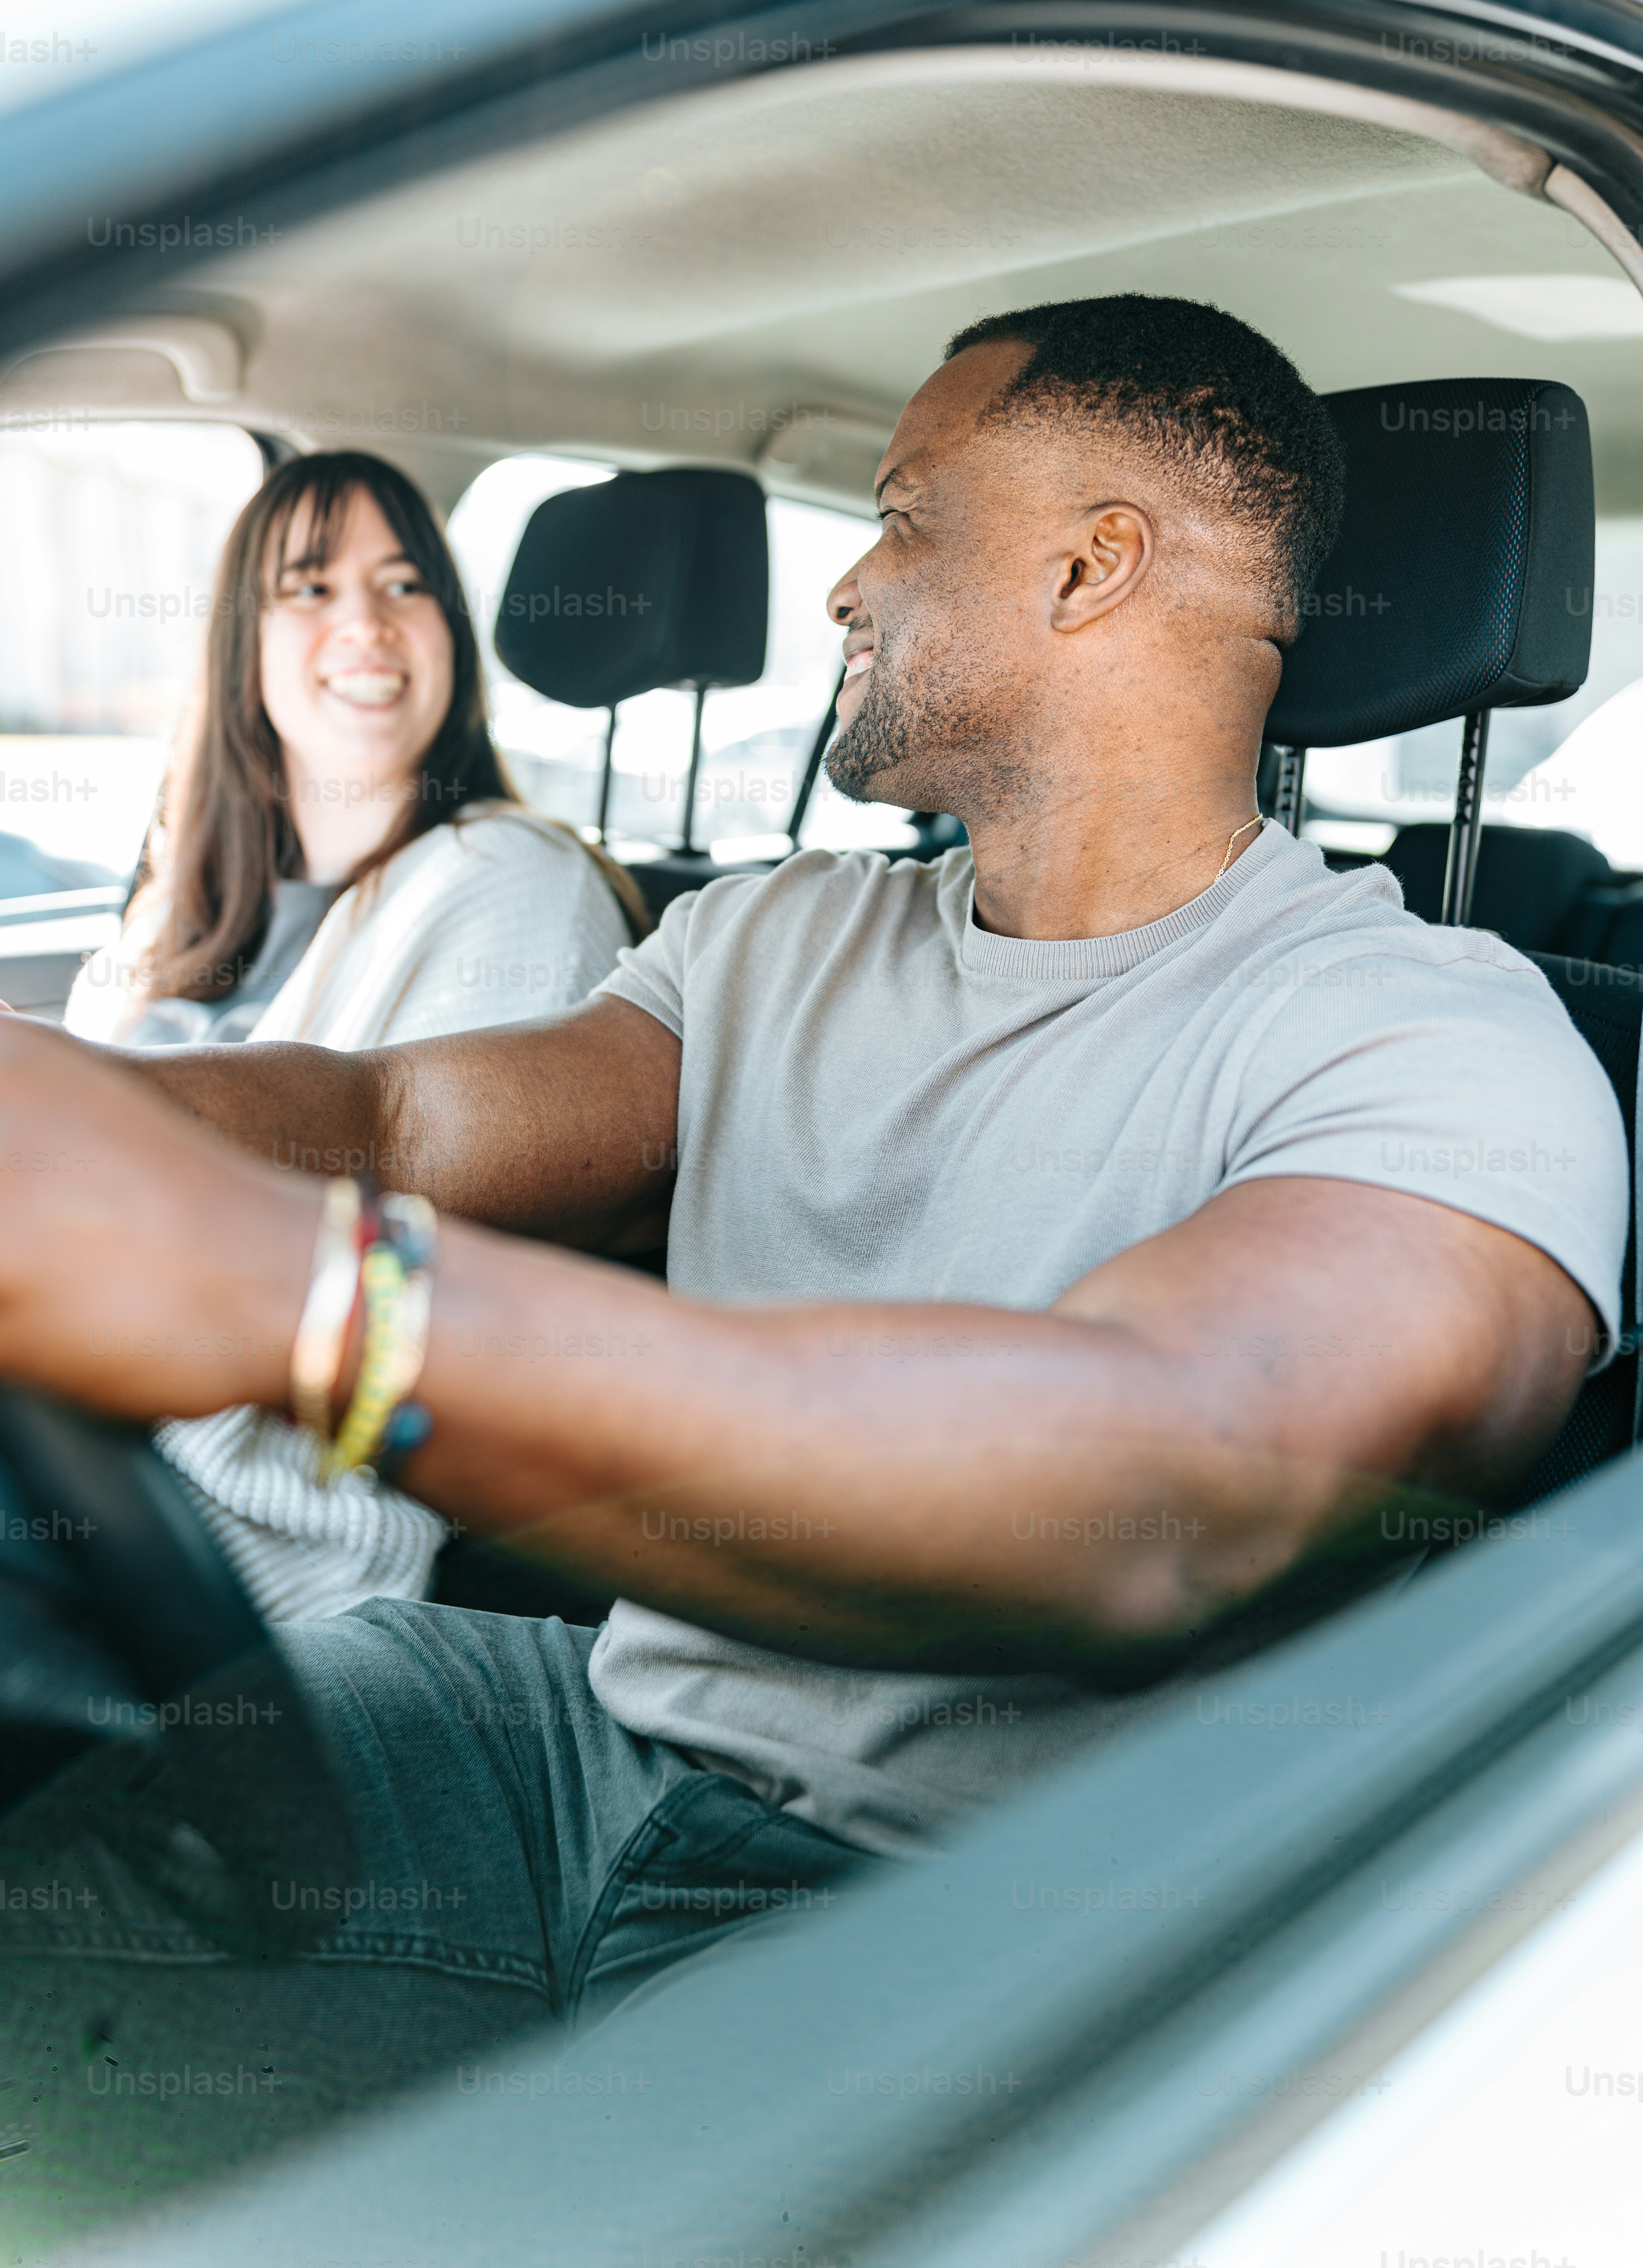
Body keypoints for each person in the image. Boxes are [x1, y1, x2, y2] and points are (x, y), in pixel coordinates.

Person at [0, 295, 1627, 2228]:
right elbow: (394, 1130)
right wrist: (76, 1117)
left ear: (1096, 563)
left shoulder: (1437, 1040)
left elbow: (1161, 1488)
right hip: (585, 1728)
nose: (848, 583)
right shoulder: (779, 938)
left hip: (975, 1891)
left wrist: (307, 1304)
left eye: (906, 512)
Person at [65, 448, 647, 1619]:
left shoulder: (508, 877)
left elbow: (430, 1279)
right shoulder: (177, 913)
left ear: (453, 631)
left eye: (406, 585)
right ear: (247, 639)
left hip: (234, 1507)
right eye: (312, 586)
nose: (367, 625)